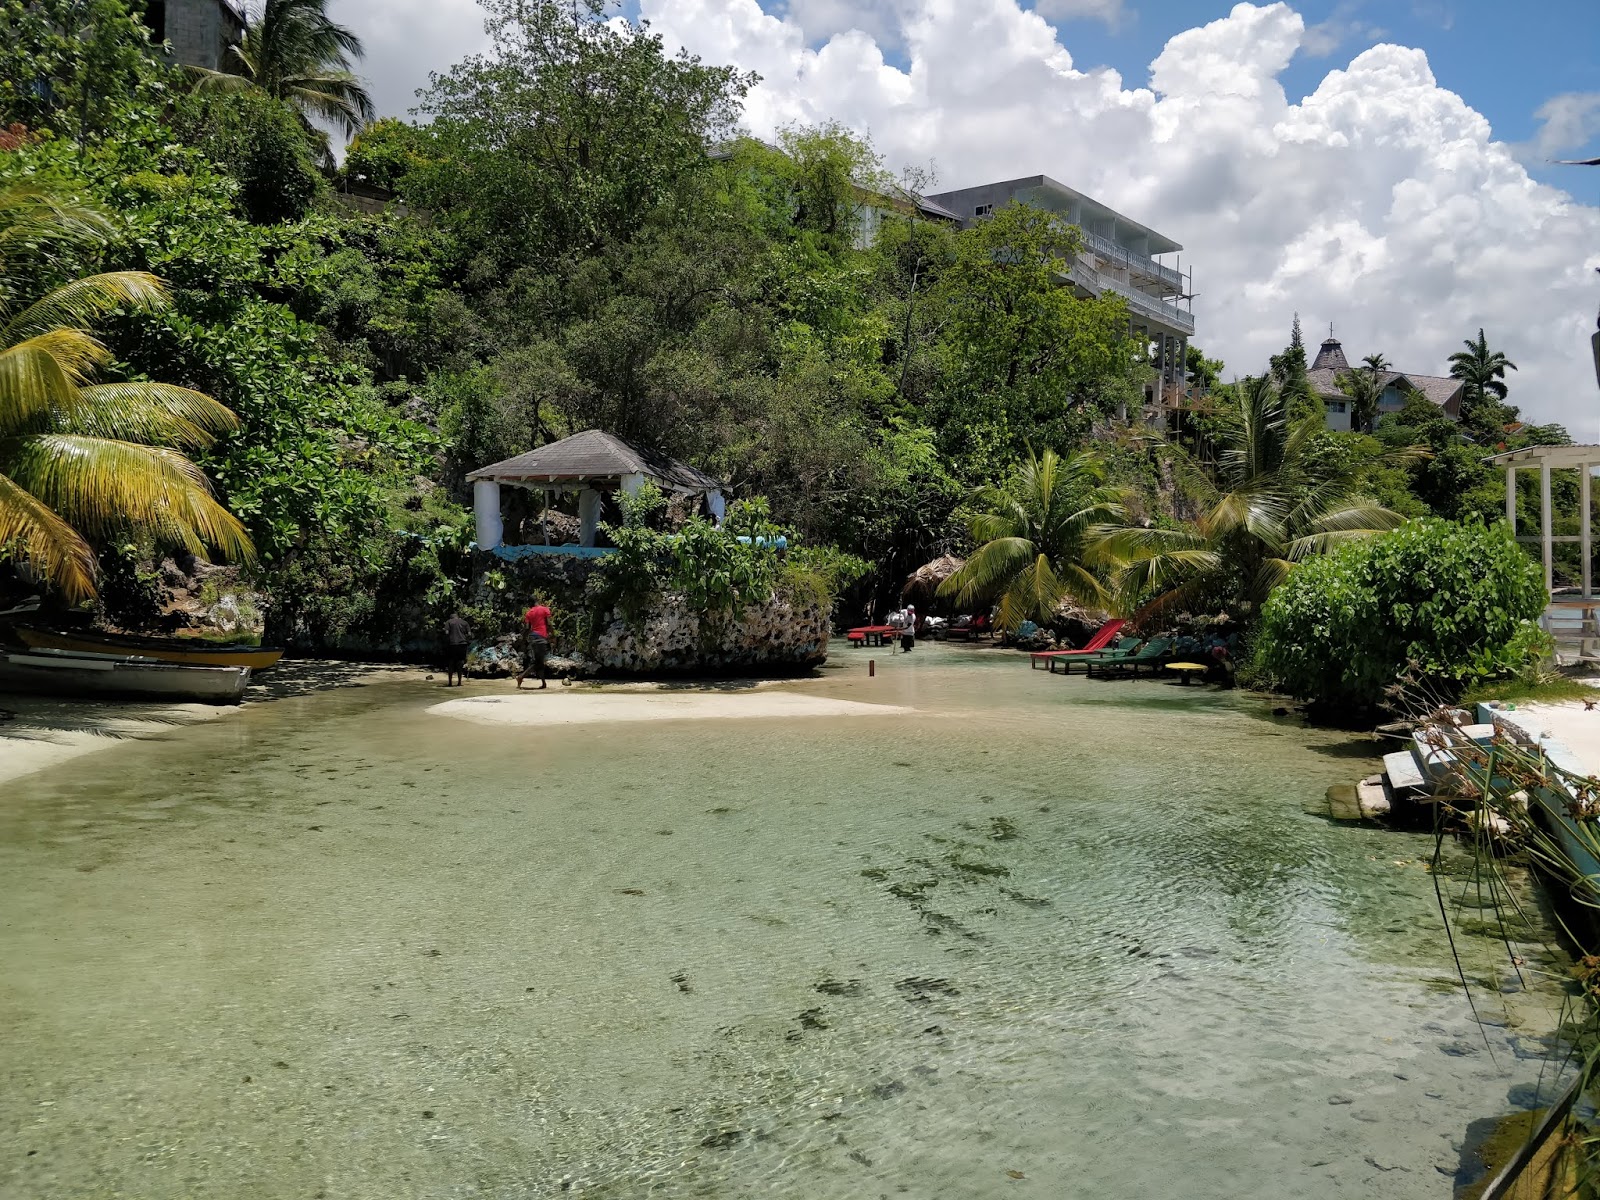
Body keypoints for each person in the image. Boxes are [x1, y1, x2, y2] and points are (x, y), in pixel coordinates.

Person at [518, 600, 552, 690]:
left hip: (533, 637)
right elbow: (548, 624)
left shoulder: (529, 613)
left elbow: (527, 628)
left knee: (539, 661)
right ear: (539, 602)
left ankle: (544, 683)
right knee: (538, 662)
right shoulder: (545, 610)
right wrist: (553, 635)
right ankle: (521, 677)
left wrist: (523, 640)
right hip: (541, 637)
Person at [441, 611, 471, 687]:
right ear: (458, 617)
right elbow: (469, 634)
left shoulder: (449, 622)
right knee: (460, 663)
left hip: (452, 644)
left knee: (451, 663)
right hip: (462, 644)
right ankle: (459, 682)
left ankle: (450, 683)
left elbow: (446, 632)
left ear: (451, 617)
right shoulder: (465, 622)